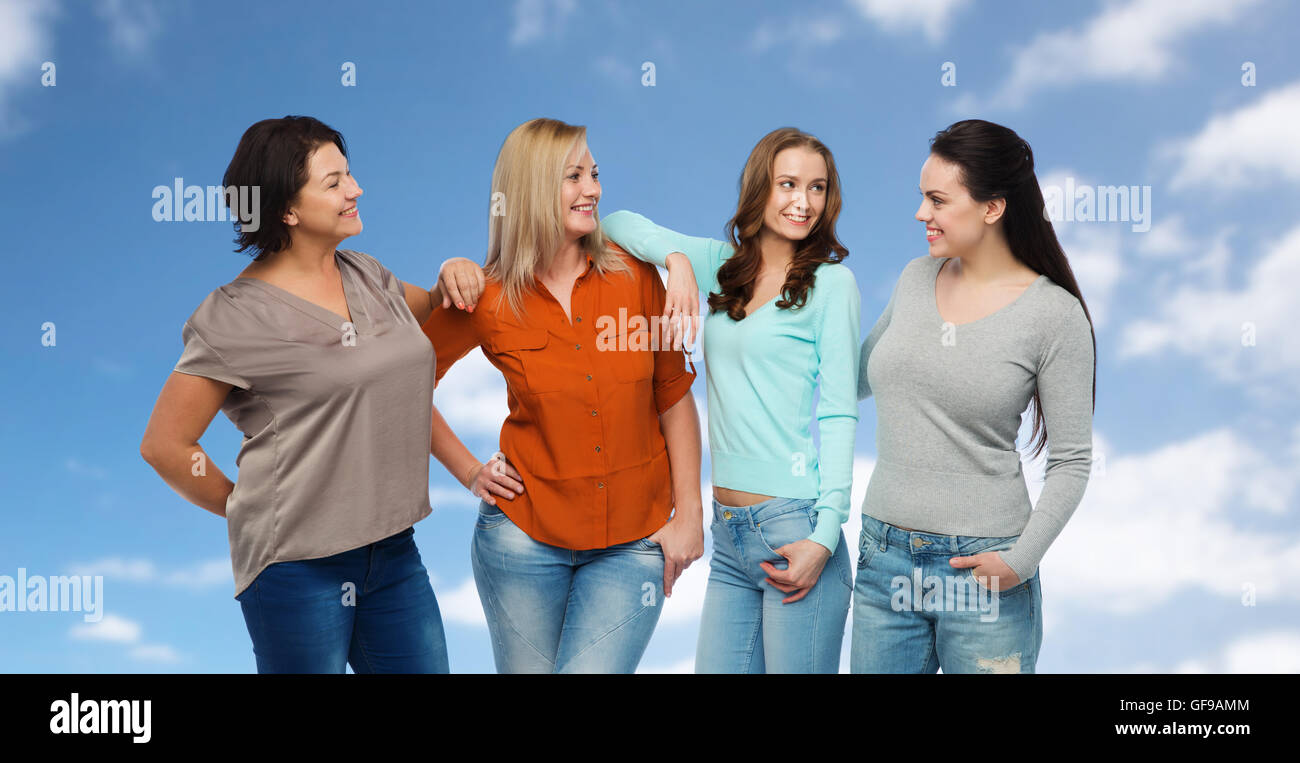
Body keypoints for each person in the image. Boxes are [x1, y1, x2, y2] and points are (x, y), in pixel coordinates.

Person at [140, 115, 479, 673]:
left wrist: (452, 268)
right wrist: (243, 509)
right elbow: (165, 445)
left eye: (350, 175)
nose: (356, 190)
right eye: (334, 182)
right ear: (285, 211)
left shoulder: (371, 278)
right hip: (295, 571)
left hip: (394, 553)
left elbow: (445, 303)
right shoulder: (231, 317)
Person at [420, 117, 703, 674]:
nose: (592, 189)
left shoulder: (637, 277)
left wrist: (690, 515)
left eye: (594, 174)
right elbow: (403, 387)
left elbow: (673, 396)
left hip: (634, 541)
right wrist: (470, 471)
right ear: (530, 188)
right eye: (572, 176)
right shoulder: (487, 296)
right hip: (520, 540)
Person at [600, 126, 860, 673]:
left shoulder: (832, 286)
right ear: (758, 188)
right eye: (787, 183)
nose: (802, 201)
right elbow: (616, 224)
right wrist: (673, 261)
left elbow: (838, 411)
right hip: (731, 535)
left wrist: (826, 535)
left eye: (817, 188)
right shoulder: (720, 266)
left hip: (798, 527)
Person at [851, 119, 1096, 673]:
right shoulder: (916, 277)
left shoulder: (1054, 316)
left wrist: (1021, 562)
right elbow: (853, 380)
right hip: (883, 559)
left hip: (985, 573)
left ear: (992, 208)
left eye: (938, 200)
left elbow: (1073, 462)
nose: (921, 214)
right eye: (922, 197)